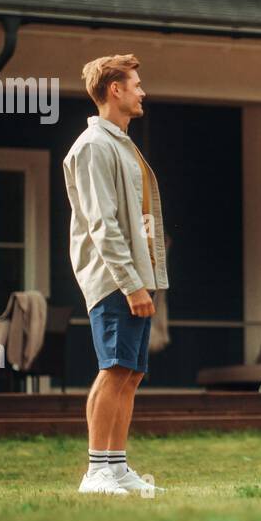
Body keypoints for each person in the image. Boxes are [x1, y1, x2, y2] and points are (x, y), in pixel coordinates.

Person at [63, 54, 168, 496]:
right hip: (113, 281)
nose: (142, 91)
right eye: (136, 84)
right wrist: (130, 284)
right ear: (115, 90)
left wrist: (146, 279)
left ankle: (117, 465)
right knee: (113, 369)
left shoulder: (122, 143)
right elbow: (101, 224)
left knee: (130, 372)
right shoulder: (93, 147)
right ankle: (96, 472)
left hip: (136, 279)